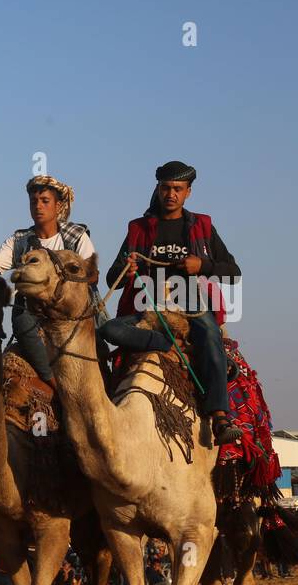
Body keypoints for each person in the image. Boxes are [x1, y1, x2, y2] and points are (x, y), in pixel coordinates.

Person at [99, 161, 244, 446]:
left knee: (211, 334)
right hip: (148, 308)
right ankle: (165, 345)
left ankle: (219, 416)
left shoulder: (202, 225)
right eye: (166, 188)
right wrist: (126, 270)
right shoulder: (138, 229)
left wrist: (202, 264)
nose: (171, 194)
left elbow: (233, 272)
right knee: (109, 330)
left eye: (178, 189)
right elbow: (110, 278)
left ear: (188, 192)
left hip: (191, 305)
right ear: (158, 189)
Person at [0, 175, 102, 386]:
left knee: (103, 343)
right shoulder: (20, 240)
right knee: (22, 322)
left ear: (58, 205)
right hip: (33, 310)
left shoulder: (76, 236)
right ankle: (53, 382)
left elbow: (93, 275)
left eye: (45, 201)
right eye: (34, 202)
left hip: (70, 311)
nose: (38, 207)